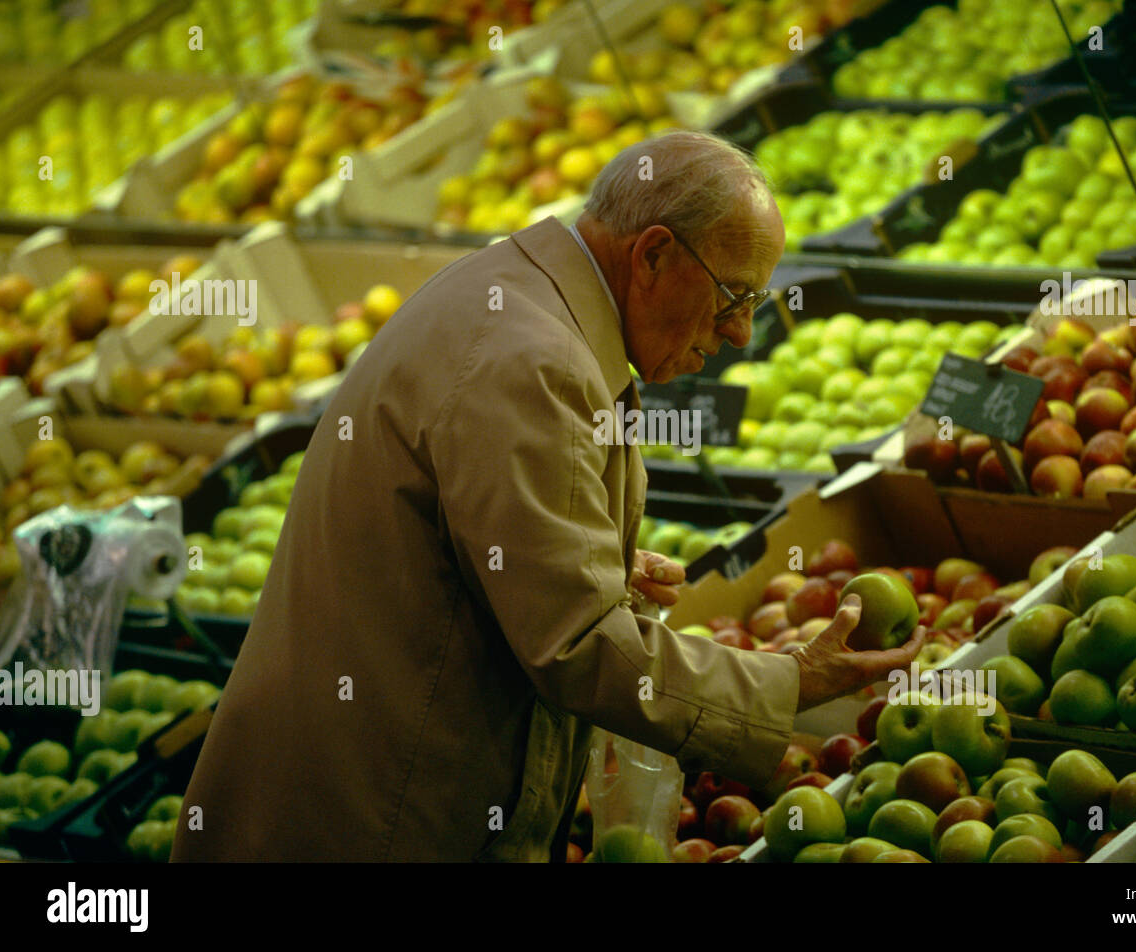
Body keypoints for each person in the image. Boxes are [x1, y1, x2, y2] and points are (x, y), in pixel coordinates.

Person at [172, 131, 923, 863]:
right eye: (734, 296)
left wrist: (576, 560)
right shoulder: (536, 362)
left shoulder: (521, 301)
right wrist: (791, 682)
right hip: (374, 819)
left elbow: (468, 536)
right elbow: (579, 644)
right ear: (655, 252)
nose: (740, 334)